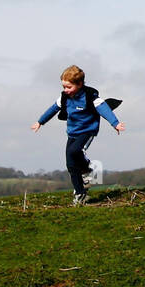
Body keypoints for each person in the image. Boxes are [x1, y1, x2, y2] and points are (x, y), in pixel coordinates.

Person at [31, 65, 123, 206]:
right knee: (70, 165)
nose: (66, 90)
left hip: (87, 131)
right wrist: (40, 122)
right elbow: (53, 109)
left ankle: (88, 170)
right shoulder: (64, 97)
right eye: (64, 87)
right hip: (72, 133)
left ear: (79, 84)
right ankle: (80, 194)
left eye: (69, 87)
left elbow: (104, 109)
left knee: (76, 151)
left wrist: (115, 124)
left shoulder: (90, 97)